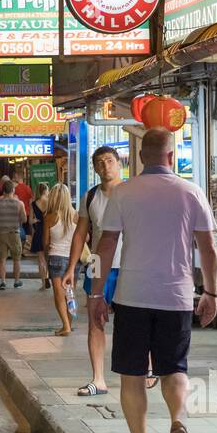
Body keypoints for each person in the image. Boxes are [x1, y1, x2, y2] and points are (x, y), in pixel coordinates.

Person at [90, 129, 217, 433]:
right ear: (172, 156)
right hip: (176, 297)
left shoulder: (123, 193)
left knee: (132, 375)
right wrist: (210, 293)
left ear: (139, 157)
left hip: (132, 296)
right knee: (174, 369)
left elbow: (105, 245)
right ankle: (178, 421)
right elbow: (207, 248)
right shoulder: (191, 192)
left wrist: (95, 294)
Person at [62, 146, 130, 397]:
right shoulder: (90, 197)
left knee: (132, 322)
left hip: (128, 264)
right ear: (94, 167)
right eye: (99, 163)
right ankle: (98, 379)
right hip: (97, 265)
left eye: (109, 161)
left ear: (119, 162)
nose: (105, 166)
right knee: (95, 322)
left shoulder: (132, 192)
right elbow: (81, 233)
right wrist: (71, 268)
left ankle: (140, 371)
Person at [42, 183, 77, 336]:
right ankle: (69, 323)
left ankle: (65, 325)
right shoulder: (75, 215)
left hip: (56, 256)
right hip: (73, 259)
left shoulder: (50, 217)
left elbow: (45, 242)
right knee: (70, 292)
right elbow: (85, 237)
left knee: (58, 294)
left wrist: (45, 255)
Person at [0, 179, 27, 289]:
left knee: (2, 259)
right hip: (14, 234)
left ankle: (3, 282)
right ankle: (16, 281)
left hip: (1, 233)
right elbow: (24, 219)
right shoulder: (19, 203)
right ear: (13, 190)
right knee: (16, 259)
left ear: (3, 190)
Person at [30, 182, 50, 288]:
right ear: (46, 190)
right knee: (50, 258)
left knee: (41, 259)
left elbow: (30, 221)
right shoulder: (49, 202)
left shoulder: (33, 204)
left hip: (39, 232)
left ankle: (44, 281)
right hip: (49, 232)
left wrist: (35, 220)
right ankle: (51, 276)